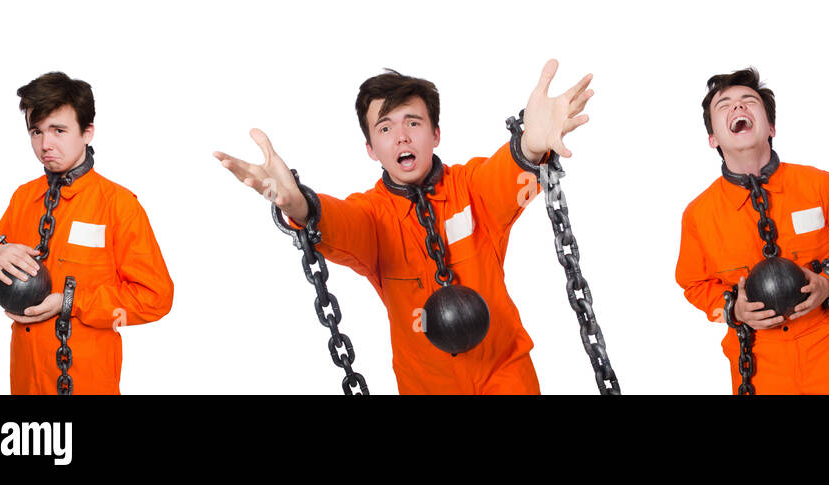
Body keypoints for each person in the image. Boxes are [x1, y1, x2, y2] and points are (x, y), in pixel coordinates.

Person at [214, 60, 591, 394]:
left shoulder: (472, 188)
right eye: (385, 128)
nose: (402, 137)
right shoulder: (373, 217)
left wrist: (529, 148)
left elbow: (507, 179)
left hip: (506, 375)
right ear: (371, 148)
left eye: (413, 122)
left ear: (435, 134)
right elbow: (342, 225)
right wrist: (298, 204)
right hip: (427, 386)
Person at [675, 68, 829, 394]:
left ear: (771, 127)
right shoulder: (699, 215)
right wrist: (734, 310)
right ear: (712, 138)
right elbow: (694, 284)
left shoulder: (820, 185)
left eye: (748, 101)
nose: (737, 108)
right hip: (756, 357)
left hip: (827, 342)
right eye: (724, 105)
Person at [0, 72, 175, 395]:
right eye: (36, 132)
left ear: (87, 133)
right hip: (26, 387)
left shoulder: (118, 206)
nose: (45, 145)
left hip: (87, 385)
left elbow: (156, 298)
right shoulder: (23, 199)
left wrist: (71, 303)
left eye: (59, 130)